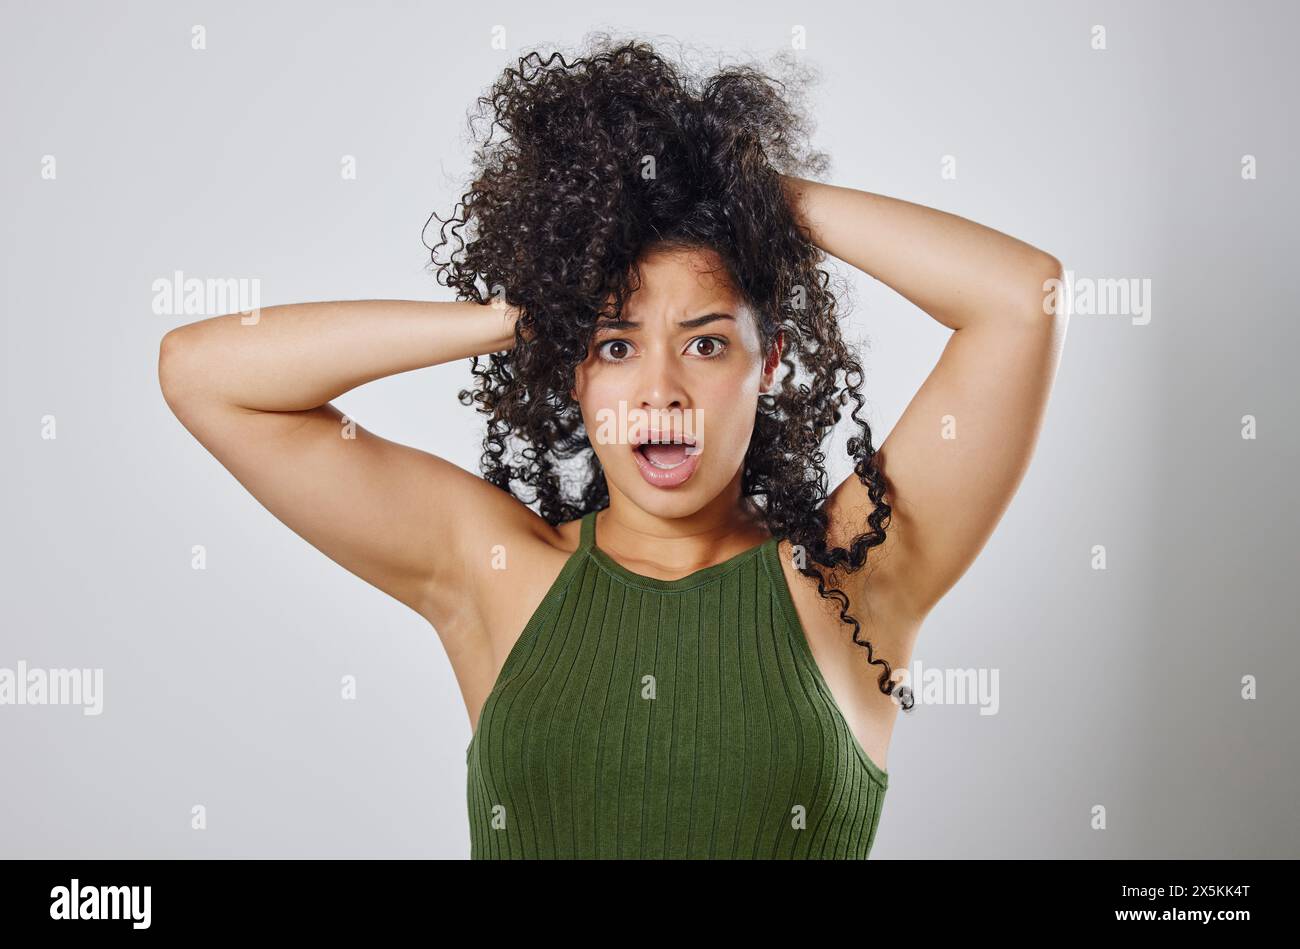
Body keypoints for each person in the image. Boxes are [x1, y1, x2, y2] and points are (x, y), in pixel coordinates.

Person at [157, 37, 1067, 859]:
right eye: (615, 346)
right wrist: (518, 317)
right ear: (573, 372)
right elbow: (204, 373)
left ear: (770, 362)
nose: (661, 389)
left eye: (707, 342)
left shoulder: (854, 571)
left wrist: (749, 195)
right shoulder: (495, 570)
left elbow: (1023, 299)